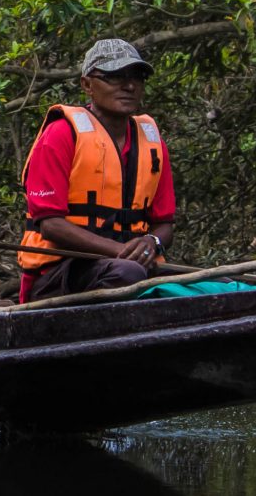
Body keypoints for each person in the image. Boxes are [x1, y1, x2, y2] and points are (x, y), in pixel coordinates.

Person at [17, 38, 177, 303]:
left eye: (137, 77)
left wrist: (152, 243)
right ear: (87, 85)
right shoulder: (61, 134)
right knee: (128, 272)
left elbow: (164, 224)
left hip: (130, 266)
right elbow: (51, 226)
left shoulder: (151, 142)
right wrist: (121, 251)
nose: (128, 86)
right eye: (114, 77)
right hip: (61, 273)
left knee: (216, 284)